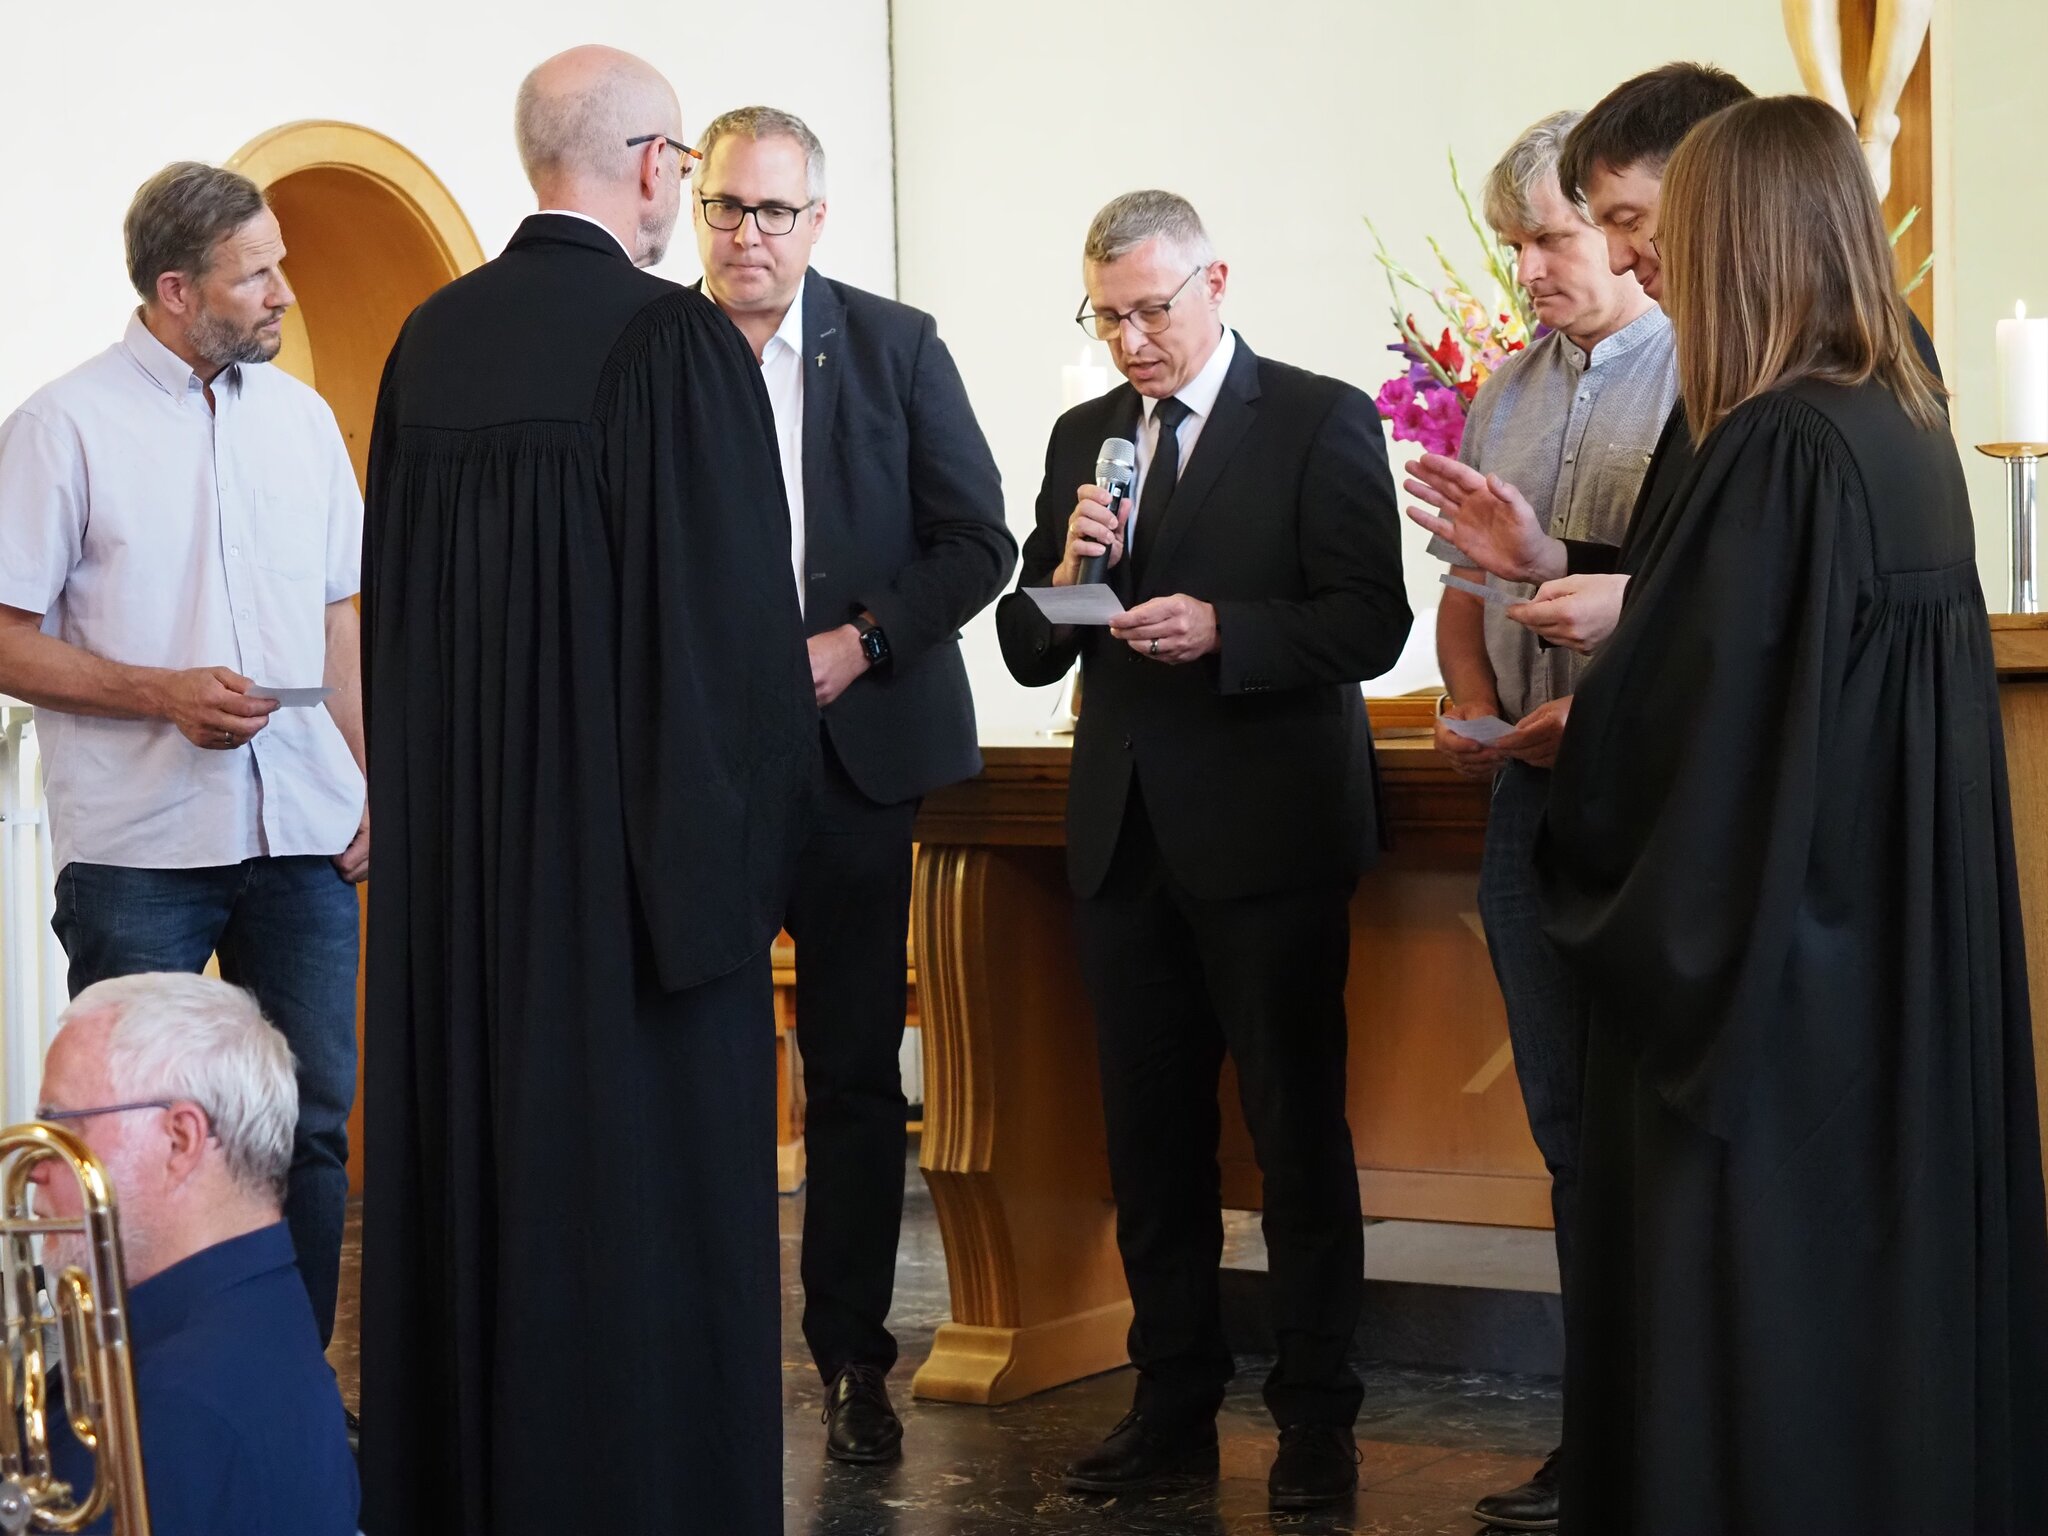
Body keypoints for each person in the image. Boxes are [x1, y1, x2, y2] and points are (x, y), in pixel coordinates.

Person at [1541, 94, 2048, 1533]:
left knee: (1757, 1342)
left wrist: (1590, 746)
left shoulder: (1776, 446)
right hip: (1887, 974)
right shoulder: (1900, 422)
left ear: (1743, 238)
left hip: (1769, 1005)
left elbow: (1694, 750)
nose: (1633, 263)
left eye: (1663, 231)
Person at [357, 46, 814, 1536]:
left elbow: (392, 628)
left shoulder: (427, 343)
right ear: (654, 166)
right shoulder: (673, 345)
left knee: (475, 1206)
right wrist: (741, 890)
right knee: (629, 1239)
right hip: (628, 925)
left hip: (459, 917)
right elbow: (735, 656)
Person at [995, 191, 1410, 1511]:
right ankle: (1170, 1401)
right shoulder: (1085, 436)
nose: (1130, 340)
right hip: (1125, 839)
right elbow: (1027, 644)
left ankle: (1316, 1421)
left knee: (1295, 1139)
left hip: (1268, 835)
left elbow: (1371, 620)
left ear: (1214, 283)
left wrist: (1226, 628)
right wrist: (1069, 564)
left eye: (1150, 310)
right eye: (1105, 317)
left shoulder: (1317, 418)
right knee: (1148, 1143)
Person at [691, 104, 1014, 1464]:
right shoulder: (657, 353)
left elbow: (978, 540)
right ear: (696, 208)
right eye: (725, 208)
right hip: (699, 772)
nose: (747, 236)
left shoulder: (894, 345)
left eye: (774, 212)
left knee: (853, 1077)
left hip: (857, 760)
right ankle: (701, 1355)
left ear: (816, 221)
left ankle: (852, 1363)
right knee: (696, 1072)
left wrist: (861, 640)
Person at [0, 162, 368, 1347]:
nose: (283, 291)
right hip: (138, 852)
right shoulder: (61, 426)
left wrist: (372, 783)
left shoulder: (302, 423)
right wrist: (159, 694)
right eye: (255, 274)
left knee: (309, 1128)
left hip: (303, 836)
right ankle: (144, 1403)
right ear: (175, 290)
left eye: (279, 264)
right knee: (130, 1133)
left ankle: (289, 1396)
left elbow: (339, 618)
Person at [1424, 109, 1673, 1534]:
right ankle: (1592, 1436)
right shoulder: (1503, 390)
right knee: (1569, 1130)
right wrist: (1472, 704)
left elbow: (1696, 598)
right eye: (1510, 243)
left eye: (1550, 238)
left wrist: (1598, 708)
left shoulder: (1701, 371)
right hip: (1528, 796)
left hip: (1651, 795)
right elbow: (1468, 591)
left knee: (1657, 1131)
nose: (1526, 269)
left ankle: (1668, 1435)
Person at [36, 973, 357, 1535]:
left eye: (62, 1127)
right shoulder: (261, 1309)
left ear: (180, 1140)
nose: (38, 1166)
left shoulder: (171, 1410)